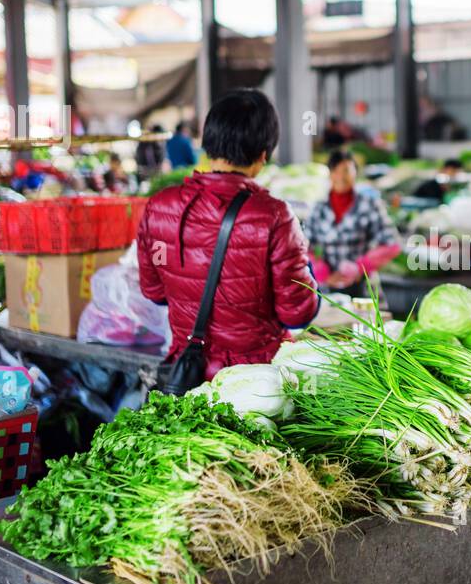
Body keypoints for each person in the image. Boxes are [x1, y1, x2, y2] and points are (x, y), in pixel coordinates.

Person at [136, 91, 318, 374]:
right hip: (256, 383)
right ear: (263, 155)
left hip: (189, 370)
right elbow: (297, 312)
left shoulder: (159, 207)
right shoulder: (274, 216)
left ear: (207, 145)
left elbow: (155, 291)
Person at [304, 149, 400, 292]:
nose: (341, 176)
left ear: (356, 173)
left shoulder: (369, 205)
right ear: (330, 174)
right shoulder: (318, 208)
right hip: (328, 287)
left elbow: (392, 243)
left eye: (346, 171)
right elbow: (302, 246)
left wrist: (360, 267)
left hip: (363, 285)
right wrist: (320, 271)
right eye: (336, 171)